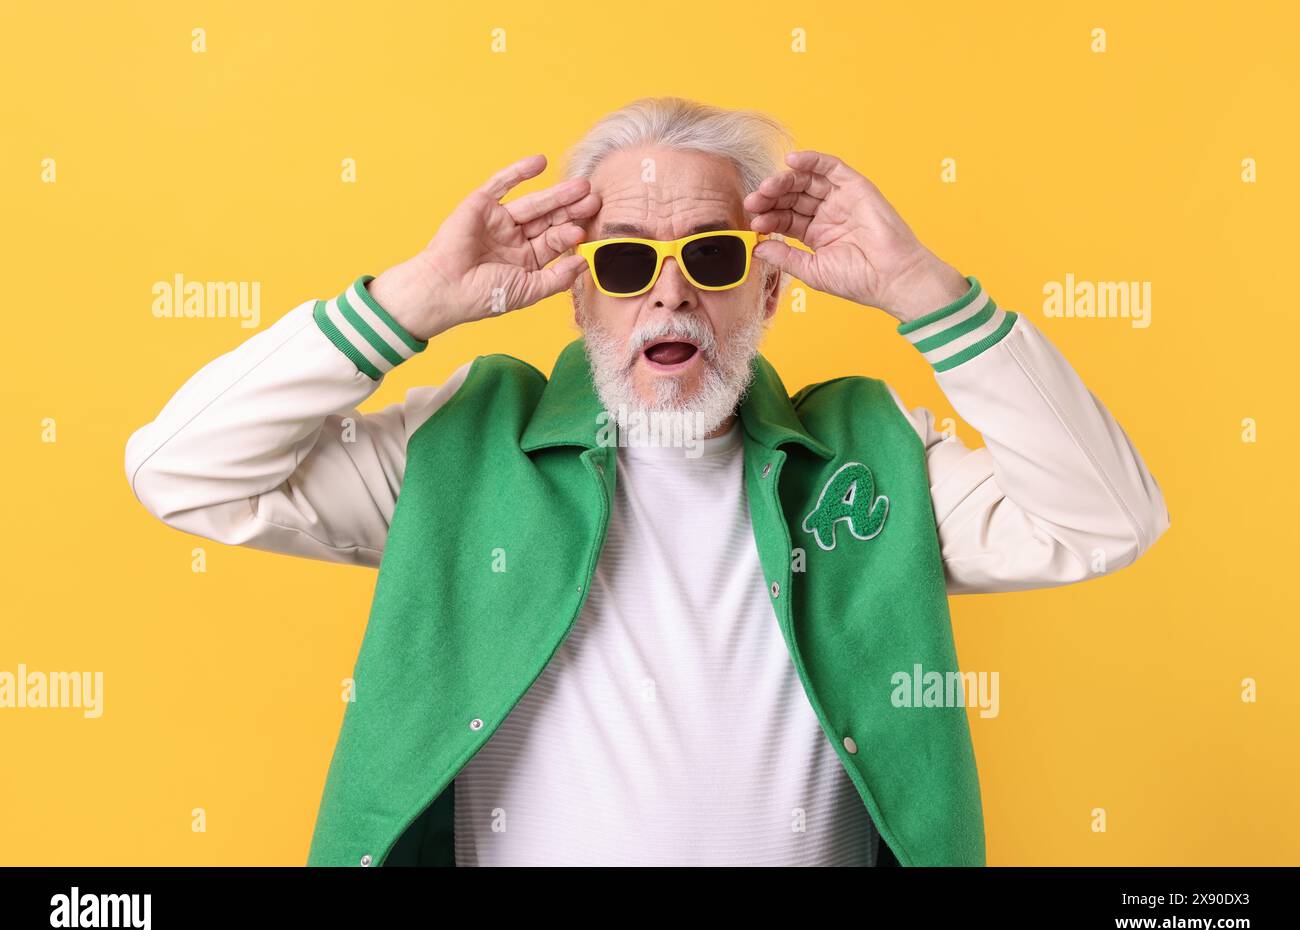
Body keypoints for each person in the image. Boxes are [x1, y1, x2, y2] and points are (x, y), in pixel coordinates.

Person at [124, 96, 1171, 867]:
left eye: (712, 258)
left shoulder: (867, 459)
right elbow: (182, 471)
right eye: (624, 264)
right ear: (579, 298)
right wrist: (409, 302)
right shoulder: (458, 449)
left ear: (768, 285)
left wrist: (924, 293)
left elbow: (1106, 519)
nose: (669, 293)